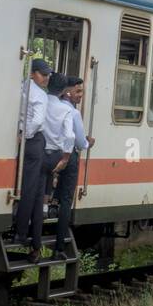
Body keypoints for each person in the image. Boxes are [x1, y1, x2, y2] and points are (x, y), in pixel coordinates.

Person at [51, 75, 95, 256]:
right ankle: (60, 246)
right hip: (68, 158)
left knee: (48, 195)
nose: (81, 95)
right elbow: (78, 141)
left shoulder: (51, 105)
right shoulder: (73, 113)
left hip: (50, 154)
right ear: (67, 92)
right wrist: (88, 143)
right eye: (78, 91)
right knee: (66, 200)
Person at [13, 58, 51, 257]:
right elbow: (37, 121)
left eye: (47, 75)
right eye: (42, 74)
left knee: (26, 185)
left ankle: (24, 232)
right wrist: (26, 136)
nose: (46, 78)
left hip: (22, 138)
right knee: (32, 188)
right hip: (34, 141)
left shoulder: (21, 87)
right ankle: (21, 233)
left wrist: (20, 135)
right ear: (32, 73)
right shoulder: (41, 95)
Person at [40, 73, 75, 256]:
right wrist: (66, 158)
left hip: (39, 151)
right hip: (56, 154)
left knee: (40, 184)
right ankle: (59, 246)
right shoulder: (66, 109)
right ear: (63, 91)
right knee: (64, 195)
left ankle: (44, 209)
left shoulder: (40, 101)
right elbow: (69, 136)